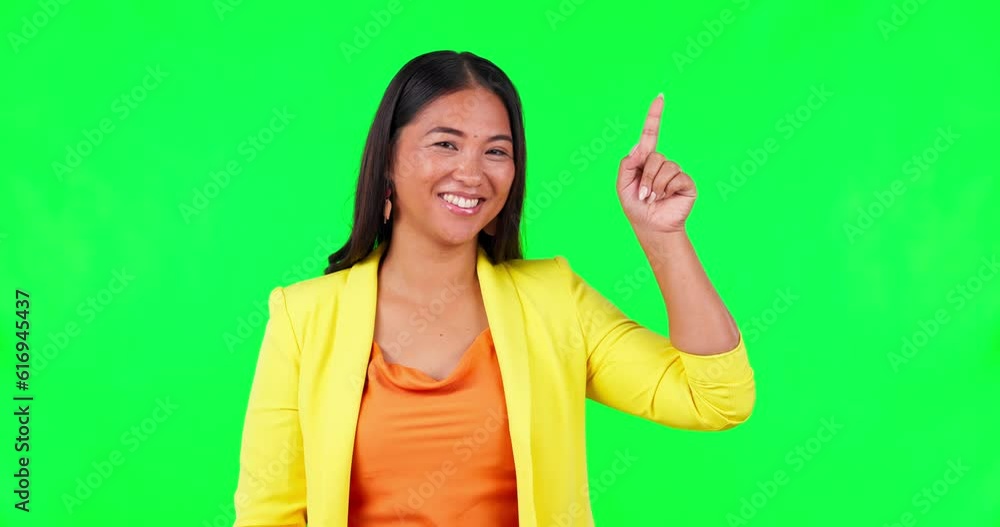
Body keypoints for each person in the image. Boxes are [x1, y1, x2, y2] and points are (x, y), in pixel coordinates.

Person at [232, 50, 755, 527]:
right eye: (445, 144)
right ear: (389, 160)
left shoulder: (553, 301)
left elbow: (713, 399)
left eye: (496, 152)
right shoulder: (304, 317)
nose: (472, 172)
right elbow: (268, 515)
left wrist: (662, 237)